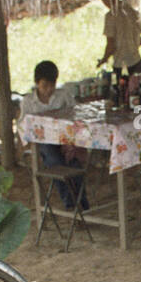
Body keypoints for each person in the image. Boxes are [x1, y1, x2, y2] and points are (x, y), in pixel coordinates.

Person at [19, 60, 89, 211]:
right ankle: (70, 204)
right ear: (37, 83)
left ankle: (82, 204)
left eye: (52, 85)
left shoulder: (63, 96)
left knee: (74, 164)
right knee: (56, 163)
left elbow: (76, 114)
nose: (49, 89)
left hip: (66, 141)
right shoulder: (29, 101)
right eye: (45, 86)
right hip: (44, 143)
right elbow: (22, 125)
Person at [95, 0, 141, 78]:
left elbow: (111, 45)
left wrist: (104, 59)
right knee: (137, 91)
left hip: (120, 65)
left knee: (121, 91)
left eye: (103, 0)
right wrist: (132, 44)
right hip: (136, 62)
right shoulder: (133, 12)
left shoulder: (110, 16)